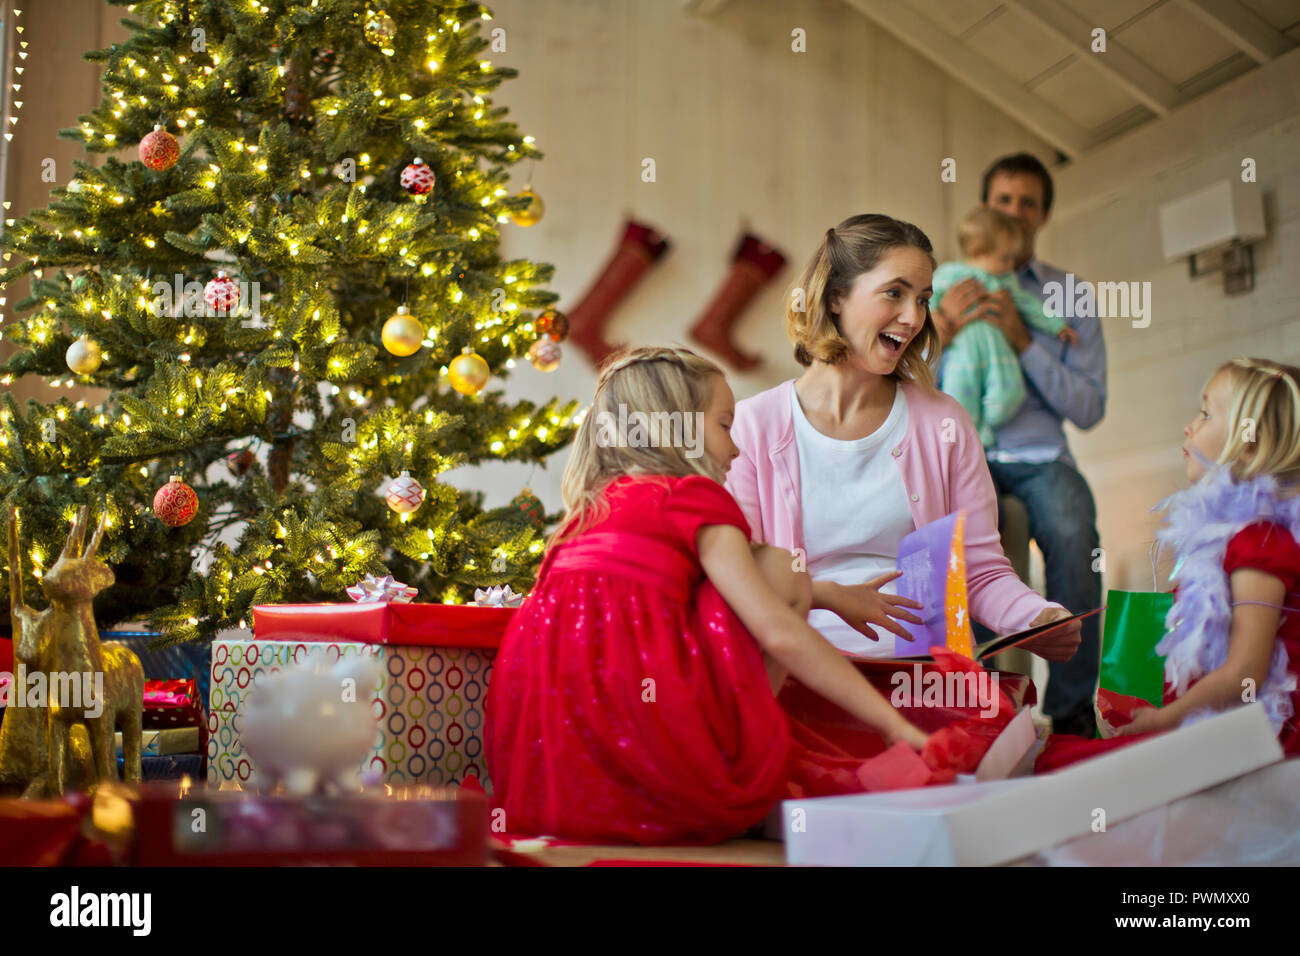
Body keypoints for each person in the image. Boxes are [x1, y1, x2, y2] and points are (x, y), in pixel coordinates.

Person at [484, 347, 932, 847]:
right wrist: (893, 724)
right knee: (782, 568)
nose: (736, 450)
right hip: (654, 757)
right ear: (677, 428)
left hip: (545, 783)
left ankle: (735, 779)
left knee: (766, 573)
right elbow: (779, 633)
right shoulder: (690, 497)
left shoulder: (585, 513)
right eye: (724, 426)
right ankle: (737, 774)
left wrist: (826, 594)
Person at [726, 213, 1081, 664]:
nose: (913, 317)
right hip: (799, 678)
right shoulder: (752, 426)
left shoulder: (943, 422)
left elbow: (979, 573)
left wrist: (1037, 616)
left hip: (926, 677)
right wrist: (826, 596)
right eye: (894, 293)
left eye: (924, 299)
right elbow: (744, 577)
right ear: (836, 297)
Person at [1037, 358, 1300, 769]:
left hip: (1260, 739)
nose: (1189, 425)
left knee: (1068, 765)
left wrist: (1164, 720)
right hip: (1219, 720)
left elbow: (1245, 672)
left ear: (1251, 439)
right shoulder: (1236, 536)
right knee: (1060, 759)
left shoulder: (1261, 542)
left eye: (1207, 412)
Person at [932, 154, 1106, 737]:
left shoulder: (1067, 295)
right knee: (954, 543)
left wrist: (1024, 341)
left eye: (1027, 203)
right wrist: (941, 333)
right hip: (964, 452)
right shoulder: (944, 284)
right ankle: (982, 706)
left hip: (1040, 458)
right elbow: (902, 386)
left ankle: (1072, 709)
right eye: (1004, 201)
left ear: (1045, 214)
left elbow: (1088, 407)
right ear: (984, 207)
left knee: (1075, 530)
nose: (1015, 213)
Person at [934, 206, 1077, 446]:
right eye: (1004, 258)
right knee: (957, 396)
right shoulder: (948, 275)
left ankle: (986, 427)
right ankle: (969, 440)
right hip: (963, 353)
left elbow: (1030, 306)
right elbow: (928, 300)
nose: (1011, 266)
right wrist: (933, 315)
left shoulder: (1005, 283)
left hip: (998, 353)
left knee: (1011, 393)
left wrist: (1056, 325)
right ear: (979, 252)